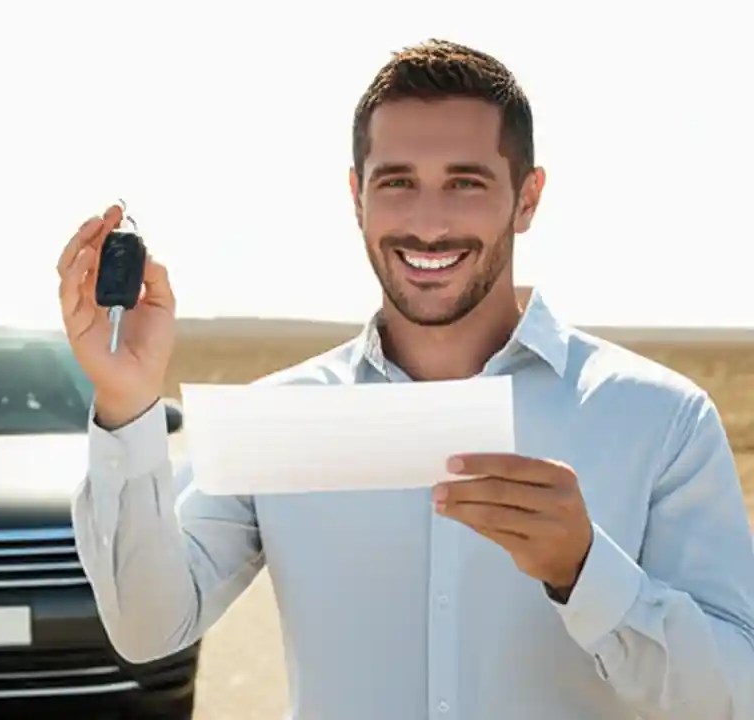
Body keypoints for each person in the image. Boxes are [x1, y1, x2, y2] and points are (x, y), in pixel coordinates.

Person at [55, 38, 754, 719]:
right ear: (357, 195)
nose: (427, 223)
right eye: (398, 183)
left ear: (528, 199)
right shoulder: (280, 420)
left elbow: (735, 695)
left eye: (465, 182)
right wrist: (126, 403)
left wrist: (586, 574)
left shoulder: (659, 419)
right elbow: (148, 628)